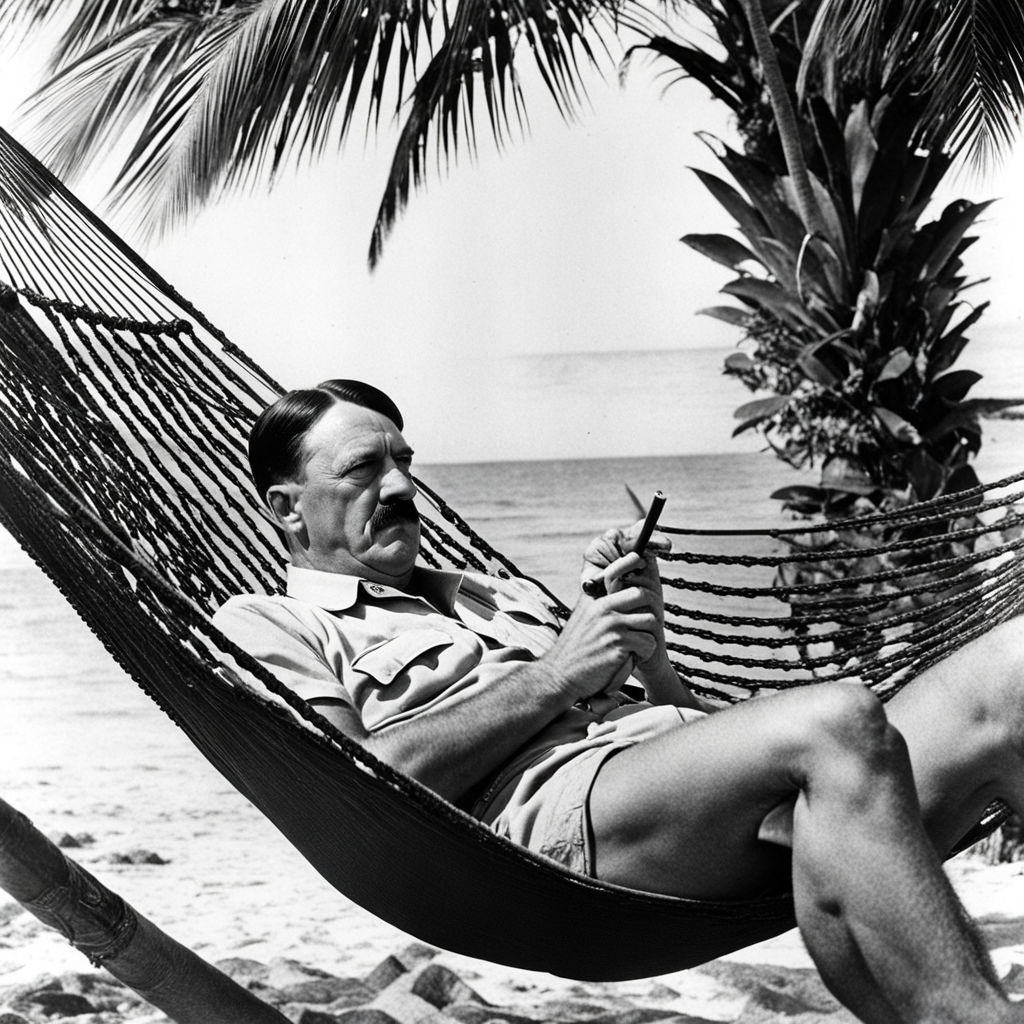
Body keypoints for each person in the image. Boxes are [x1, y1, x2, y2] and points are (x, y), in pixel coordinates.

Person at [214, 379, 1024, 1024]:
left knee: (1012, 668)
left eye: (404, 460)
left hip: (684, 805)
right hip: (552, 843)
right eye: (363, 469)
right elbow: (358, 784)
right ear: (286, 507)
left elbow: (683, 727)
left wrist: (650, 650)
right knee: (838, 718)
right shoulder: (269, 623)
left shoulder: (493, 594)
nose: (399, 486)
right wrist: (561, 669)